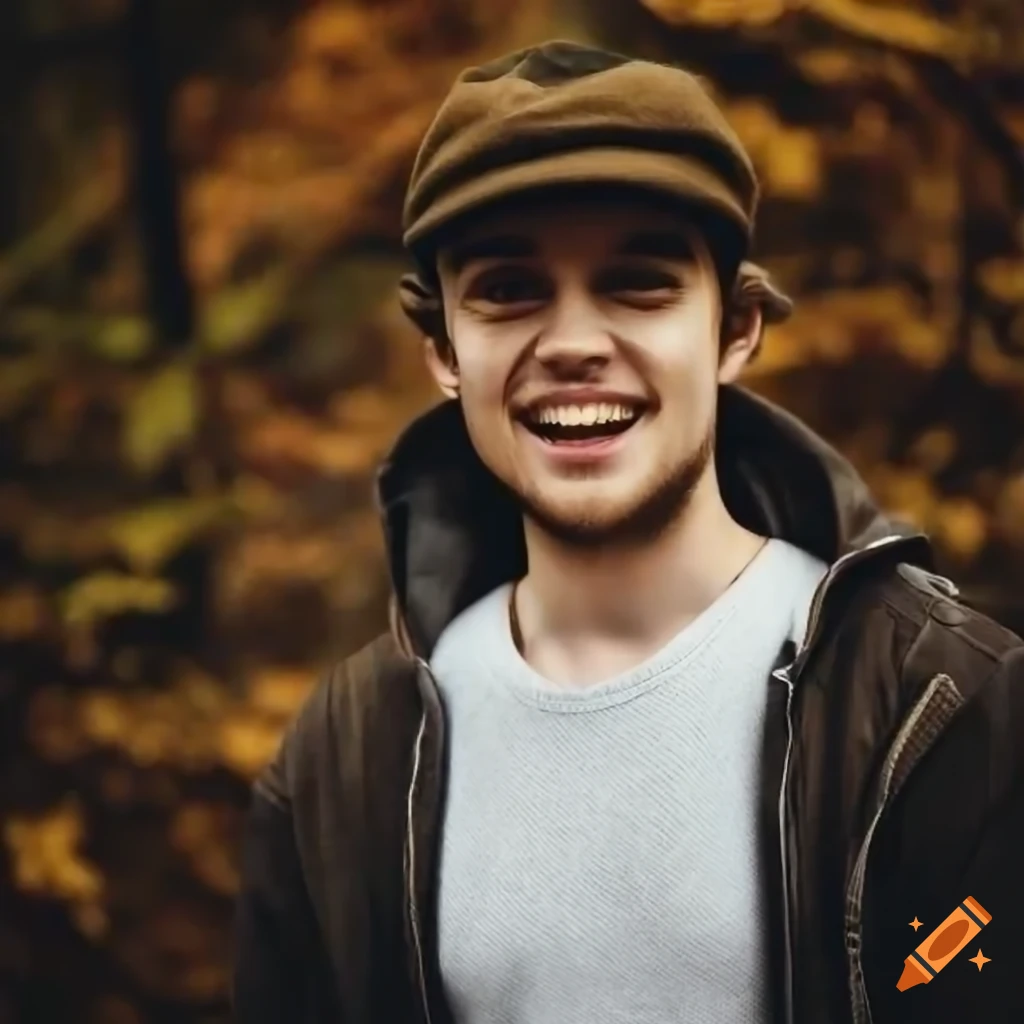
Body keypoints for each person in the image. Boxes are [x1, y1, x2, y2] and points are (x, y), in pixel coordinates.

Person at [233, 40, 1024, 1024]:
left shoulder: (944, 708)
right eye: (509, 289)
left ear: (734, 330)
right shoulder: (343, 755)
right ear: (443, 349)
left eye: (639, 283)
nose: (571, 343)